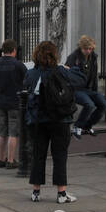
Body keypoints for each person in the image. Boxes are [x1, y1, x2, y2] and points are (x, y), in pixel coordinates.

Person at [24, 40, 76, 203]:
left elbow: (26, 91)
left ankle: (35, 192)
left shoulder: (31, 73)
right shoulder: (61, 71)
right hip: (60, 118)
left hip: (37, 120)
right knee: (60, 155)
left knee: (38, 155)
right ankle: (61, 193)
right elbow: (79, 82)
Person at [0, 39, 26, 169]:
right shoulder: (18, 65)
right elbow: (26, 81)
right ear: (14, 50)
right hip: (15, 102)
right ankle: (11, 160)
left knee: (2, 132)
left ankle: (1, 159)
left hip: (0, 101)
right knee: (13, 132)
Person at [65, 35, 106, 139]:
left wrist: (95, 91)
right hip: (75, 89)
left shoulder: (93, 57)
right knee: (89, 105)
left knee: (104, 105)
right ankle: (77, 127)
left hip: (88, 88)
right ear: (81, 47)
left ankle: (87, 126)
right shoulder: (73, 57)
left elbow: (94, 75)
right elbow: (67, 74)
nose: (88, 51)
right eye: (86, 49)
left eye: (90, 49)